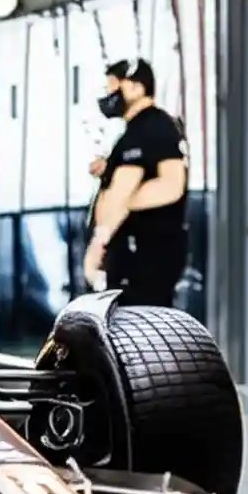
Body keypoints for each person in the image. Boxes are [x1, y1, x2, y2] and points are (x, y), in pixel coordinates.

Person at [82, 58, 190, 307]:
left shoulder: (147, 130)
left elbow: (132, 189)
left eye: (113, 86)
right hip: (143, 258)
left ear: (135, 87)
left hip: (142, 258)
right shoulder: (145, 130)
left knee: (134, 321)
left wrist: (98, 243)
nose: (109, 95)